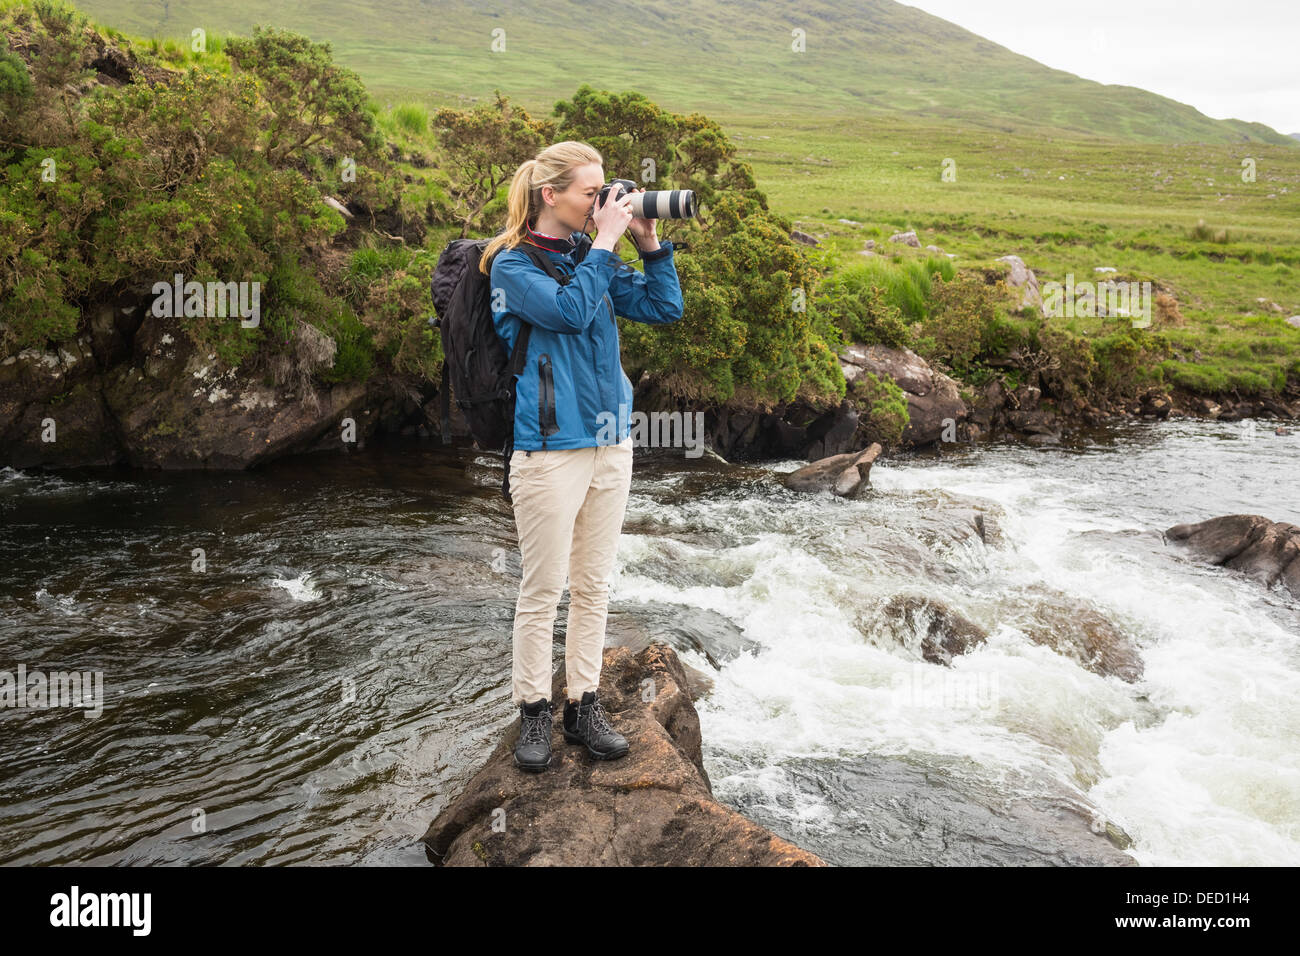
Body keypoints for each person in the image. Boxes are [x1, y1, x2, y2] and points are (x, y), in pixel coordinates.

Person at [482, 141, 684, 772]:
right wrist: (605, 244)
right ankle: (534, 713)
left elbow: (663, 307)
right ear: (552, 196)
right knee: (544, 588)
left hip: (609, 441)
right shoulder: (513, 266)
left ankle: (583, 706)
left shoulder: (584, 256)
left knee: (593, 585)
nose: (603, 203)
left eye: (606, 193)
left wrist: (648, 243)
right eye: (591, 193)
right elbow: (567, 313)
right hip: (548, 447)